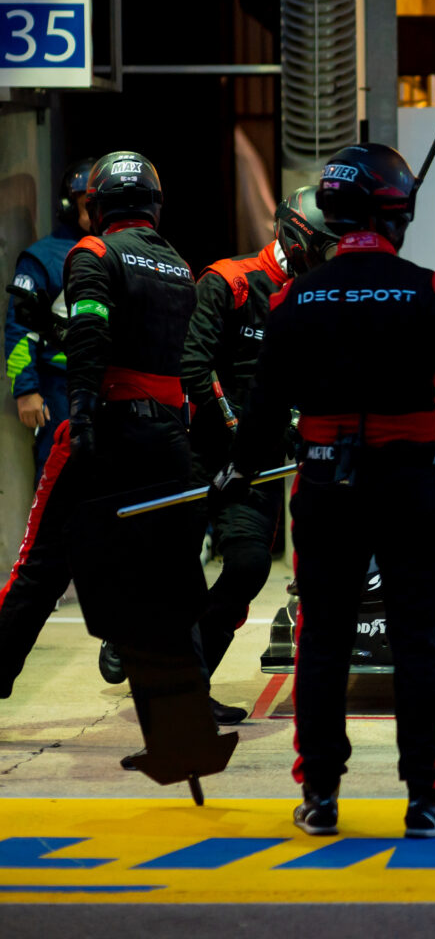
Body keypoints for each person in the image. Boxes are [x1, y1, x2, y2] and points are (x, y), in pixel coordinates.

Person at [227, 143, 435, 838]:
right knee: (419, 641)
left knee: (321, 641)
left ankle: (319, 796)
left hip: (322, 483)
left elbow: (262, 408)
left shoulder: (293, 299)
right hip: (410, 484)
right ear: (397, 214)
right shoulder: (429, 291)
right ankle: (425, 801)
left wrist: (240, 466)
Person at [63, 150, 232, 779]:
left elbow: (90, 335)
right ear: (155, 205)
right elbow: (191, 361)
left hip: (117, 432)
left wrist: (80, 411)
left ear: (100, 202)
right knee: (174, 578)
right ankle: (188, 728)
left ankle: (170, 729)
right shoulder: (176, 265)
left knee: (124, 584)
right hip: (173, 438)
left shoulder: (94, 255)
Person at [180, 186, 338, 723]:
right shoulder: (228, 280)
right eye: (325, 248)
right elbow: (194, 367)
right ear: (295, 235)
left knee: (247, 568)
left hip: (262, 463)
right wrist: (235, 433)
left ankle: (187, 680)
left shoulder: (314, 300)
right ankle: (138, 640)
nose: (330, 260)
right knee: (172, 569)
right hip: (200, 453)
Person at [6, 158, 92, 483]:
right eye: (88, 202)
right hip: (60, 386)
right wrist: (25, 390)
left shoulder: (112, 251)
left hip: (108, 385)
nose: (96, 210)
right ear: (70, 202)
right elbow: (19, 324)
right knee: (58, 481)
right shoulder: (43, 257)